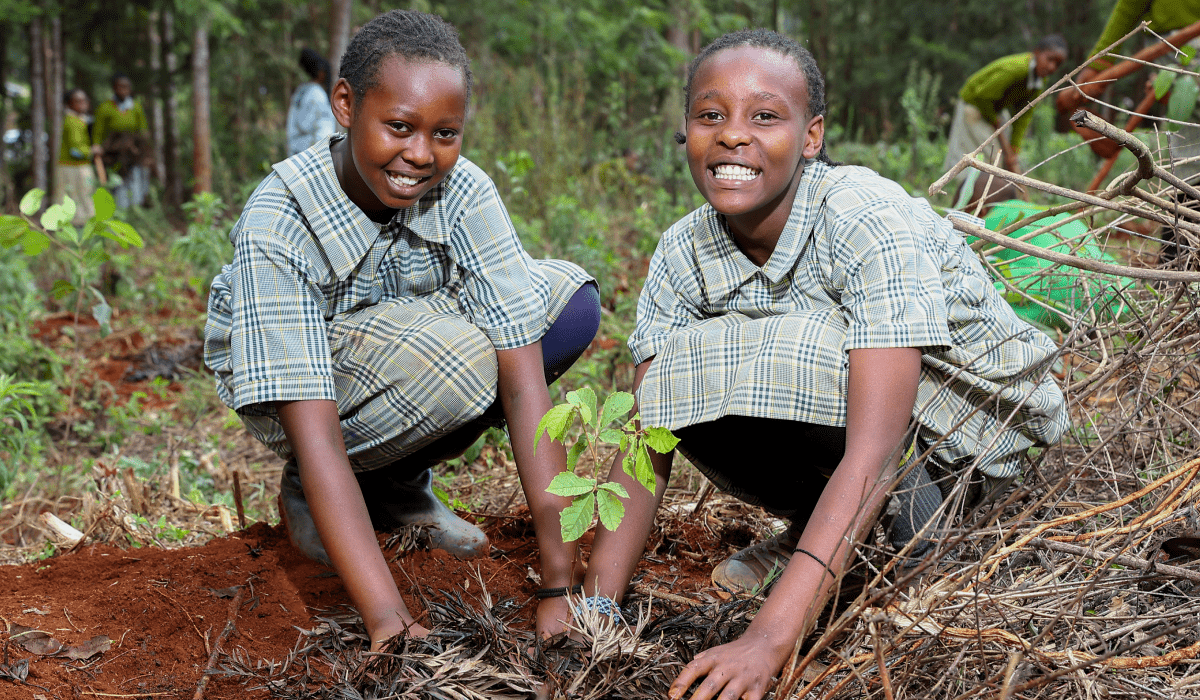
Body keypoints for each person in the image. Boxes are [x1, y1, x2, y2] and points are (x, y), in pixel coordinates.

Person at [576, 29, 1068, 700]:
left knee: (813, 367)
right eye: (710, 115)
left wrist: (767, 640)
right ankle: (816, 527)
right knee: (668, 380)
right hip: (858, 431)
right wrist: (595, 609)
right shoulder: (681, 251)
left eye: (765, 115)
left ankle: (894, 540)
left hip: (967, 445)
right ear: (686, 131)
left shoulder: (864, 216)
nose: (731, 136)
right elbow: (648, 437)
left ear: (811, 137)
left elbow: (877, 447)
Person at [202, 10, 599, 651]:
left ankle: (395, 484)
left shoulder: (463, 191)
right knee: (466, 360)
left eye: (445, 133)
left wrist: (558, 587)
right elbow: (317, 425)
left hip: (408, 346)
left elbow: (526, 387)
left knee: (564, 305)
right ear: (345, 104)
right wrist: (388, 618)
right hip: (304, 397)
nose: (420, 155)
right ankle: (313, 491)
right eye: (398, 127)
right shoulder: (280, 220)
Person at [944, 35, 1067, 208]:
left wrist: (1013, 149)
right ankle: (963, 207)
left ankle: (988, 206)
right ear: (1037, 53)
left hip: (995, 110)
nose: (1052, 67)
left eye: (1057, 64)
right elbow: (982, 94)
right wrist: (995, 122)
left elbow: (1024, 114)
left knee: (999, 160)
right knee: (983, 161)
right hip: (975, 105)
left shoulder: (1039, 81)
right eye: (1049, 60)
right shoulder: (1016, 69)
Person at [93, 74, 151, 209]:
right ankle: (119, 208)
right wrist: (97, 145)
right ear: (114, 88)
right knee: (117, 178)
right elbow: (98, 129)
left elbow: (143, 127)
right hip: (114, 150)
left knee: (136, 175)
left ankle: (136, 207)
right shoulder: (105, 107)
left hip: (133, 149)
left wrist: (144, 144)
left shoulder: (135, 107)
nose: (123, 90)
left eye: (126, 87)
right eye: (120, 87)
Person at [54, 89, 97, 226]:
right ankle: (74, 231)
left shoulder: (82, 121)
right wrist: (91, 151)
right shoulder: (71, 121)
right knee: (73, 199)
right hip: (71, 168)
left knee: (85, 197)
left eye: (84, 100)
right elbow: (75, 151)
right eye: (78, 101)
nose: (83, 104)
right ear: (69, 104)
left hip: (80, 167)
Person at [286, 47, 339, 156]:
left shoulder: (300, 91)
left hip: (295, 154)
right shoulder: (316, 94)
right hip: (311, 157)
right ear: (321, 73)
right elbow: (324, 131)